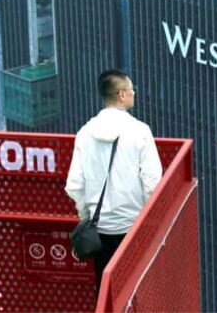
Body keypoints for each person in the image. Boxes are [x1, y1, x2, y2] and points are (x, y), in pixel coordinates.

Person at [65, 70, 163, 292]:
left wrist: (86, 216)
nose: (134, 93)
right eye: (132, 90)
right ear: (121, 94)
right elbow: (152, 183)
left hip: (99, 230)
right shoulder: (140, 131)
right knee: (135, 288)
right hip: (133, 228)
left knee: (106, 289)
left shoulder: (85, 133)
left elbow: (74, 184)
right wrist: (149, 221)